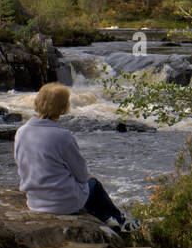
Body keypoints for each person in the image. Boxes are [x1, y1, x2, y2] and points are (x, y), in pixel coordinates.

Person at [13, 83, 137, 232]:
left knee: (81, 189)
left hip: (35, 201)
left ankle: (109, 221)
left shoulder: (21, 131)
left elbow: (22, 165)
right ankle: (121, 221)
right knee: (93, 184)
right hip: (61, 204)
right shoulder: (63, 136)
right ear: (63, 108)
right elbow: (82, 175)